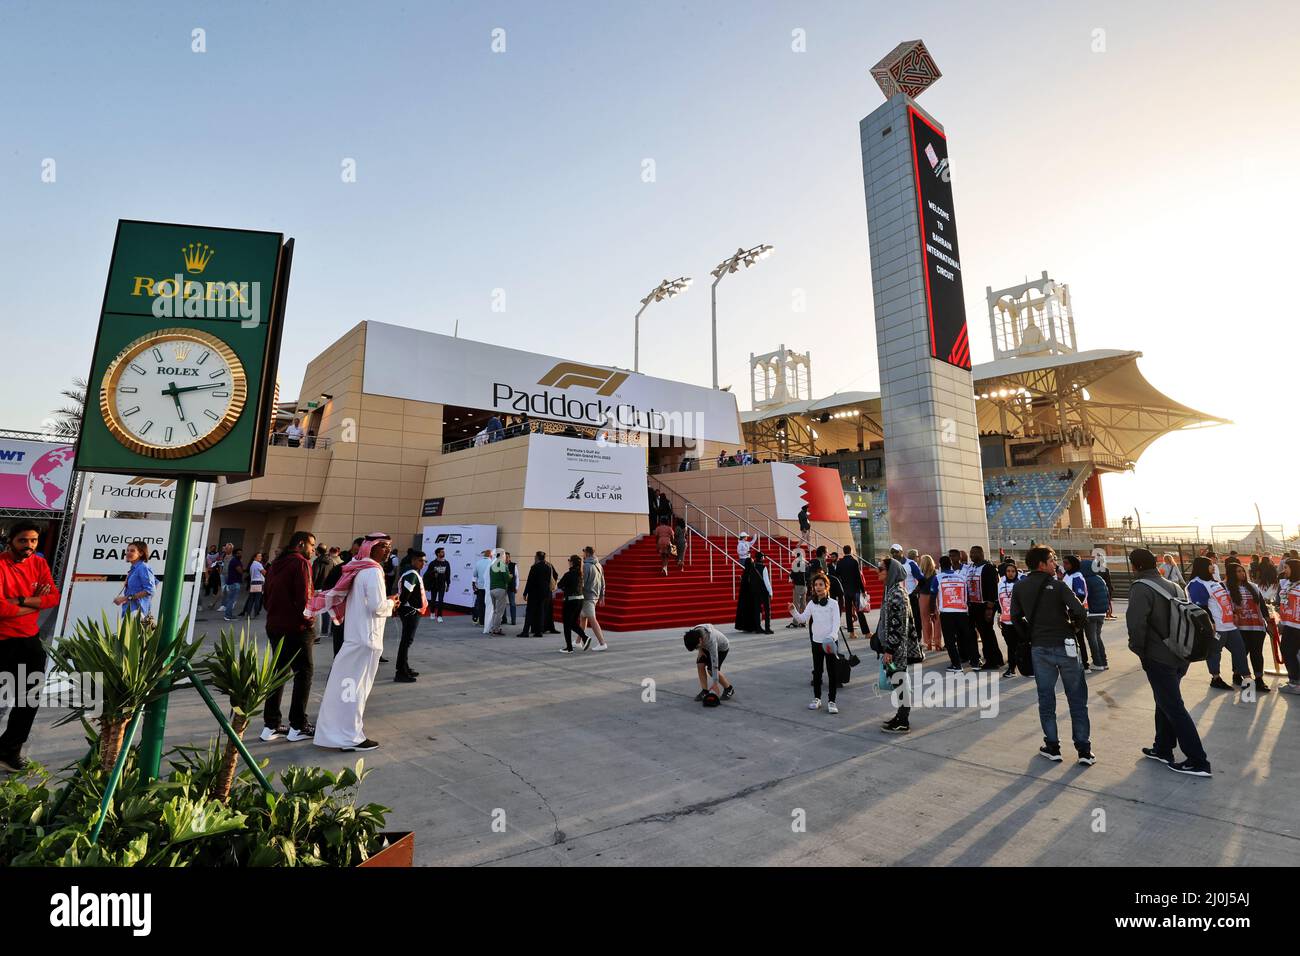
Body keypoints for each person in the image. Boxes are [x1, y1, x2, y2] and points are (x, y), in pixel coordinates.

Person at [1126, 548, 1212, 776]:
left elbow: (1136, 626)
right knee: (1163, 700)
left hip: (1158, 656)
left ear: (1134, 566)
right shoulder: (1174, 586)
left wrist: (1139, 651)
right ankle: (1163, 748)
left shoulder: (1140, 588)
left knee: (1173, 706)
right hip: (1181, 655)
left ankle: (1198, 760)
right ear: (1155, 563)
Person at [311, 533, 396, 752]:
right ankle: (351, 736)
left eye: (389, 547)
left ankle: (337, 734)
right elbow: (377, 607)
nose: (387, 550)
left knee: (345, 690)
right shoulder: (374, 571)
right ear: (371, 548)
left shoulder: (358, 568)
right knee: (356, 692)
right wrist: (391, 603)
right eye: (383, 546)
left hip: (354, 639)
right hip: (366, 641)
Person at [1010, 546, 1095, 766]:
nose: (1055, 563)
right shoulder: (1058, 586)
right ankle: (1083, 749)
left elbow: (1015, 617)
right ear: (1041, 564)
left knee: (1046, 698)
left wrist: (1029, 635)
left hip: (1039, 647)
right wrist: (1072, 630)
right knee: (1077, 698)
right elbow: (1080, 611)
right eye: (1052, 560)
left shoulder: (1020, 587)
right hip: (1065, 645)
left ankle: (1053, 745)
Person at [0, 522, 61, 773]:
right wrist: (36, 603)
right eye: (23, 541)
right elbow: (2, 609)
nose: (29, 546)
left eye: (34, 541)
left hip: (30, 640)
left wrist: (23, 601)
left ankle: (9, 750)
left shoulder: (39, 563)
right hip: (2, 640)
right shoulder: (1, 565)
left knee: (29, 699)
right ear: (10, 541)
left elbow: (53, 597)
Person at [260, 530, 318, 742]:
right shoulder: (300, 563)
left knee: (279, 673)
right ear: (301, 544)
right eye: (311, 545)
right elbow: (305, 597)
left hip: (275, 625)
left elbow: (266, 596)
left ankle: (271, 725)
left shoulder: (276, 564)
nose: (313, 550)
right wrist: (309, 621)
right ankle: (298, 726)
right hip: (296, 628)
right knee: (304, 674)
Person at [1188, 555, 1249, 691]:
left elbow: (1225, 600)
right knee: (1215, 652)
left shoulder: (1214, 582)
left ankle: (1247, 677)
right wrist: (1210, 623)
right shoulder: (1196, 584)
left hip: (1230, 624)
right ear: (1203, 566)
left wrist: (1233, 613)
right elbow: (1200, 606)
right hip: (1217, 626)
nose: (1213, 566)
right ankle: (1216, 678)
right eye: (1210, 564)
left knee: (1240, 649)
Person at [877, 556, 923, 733]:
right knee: (898, 682)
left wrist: (889, 649)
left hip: (896, 649)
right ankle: (900, 716)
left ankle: (903, 721)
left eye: (881, 569)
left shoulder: (897, 593)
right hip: (894, 647)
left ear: (891, 572)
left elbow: (898, 625)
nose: (877, 571)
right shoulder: (891, 590)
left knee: (900, 681)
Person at [789, 572, 842, 714]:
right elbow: (802, 619)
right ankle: (817, 698)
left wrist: (831, 636)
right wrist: (793, 611)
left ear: (826, 586)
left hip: (830, 643)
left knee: (832, 673)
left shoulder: (833, 604)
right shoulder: (812, 603)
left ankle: (832, 701)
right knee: (817, 672)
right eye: (816, 585)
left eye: (821, 585)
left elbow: (836, 623)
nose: (818, 587)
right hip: (816, 642)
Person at [1225, 562, 1271, 692]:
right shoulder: (1226, 588)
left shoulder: (1253, 587)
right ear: (1232, 574)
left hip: (1256, 626)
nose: (1242, 574)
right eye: (1238, 571)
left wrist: (1268, 622)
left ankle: (1259, 679)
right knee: (1240, 652)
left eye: (1242, 571)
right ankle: (1237, 674)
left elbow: (1262, 605)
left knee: (1257, 653)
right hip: (1238, 627)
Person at [934, 552, 977, 670]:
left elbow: (933, 595)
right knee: (968, 636)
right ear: (951, 564)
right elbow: (967, 595)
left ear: (940, 566)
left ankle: (956, 664)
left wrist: (933, 611)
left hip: (946, 612)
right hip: (962, 612)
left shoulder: (938, 577)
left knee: (949, 640)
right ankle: (975, 662)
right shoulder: (961, 577)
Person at [965, 546, 1003, 670]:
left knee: (987, 633)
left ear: (981, 554)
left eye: (974, 553)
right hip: (974, 605)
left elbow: (993, 588)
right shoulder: (971, 567)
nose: (971, 555)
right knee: (983, 633)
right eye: (970, 553)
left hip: (985, 605)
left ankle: (993, 660)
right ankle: (995, 658)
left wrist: (990, 607)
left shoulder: (988, 567)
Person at [324, 538, 363, 655]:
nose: (358, 555)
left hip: (359, 618)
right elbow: (328, 590)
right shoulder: (340, 569)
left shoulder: (370, 571)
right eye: (356, 552)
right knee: (341, 651)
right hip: (343, 616)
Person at [394, 550, 427, 682]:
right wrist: (402, 608)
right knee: (406, 641)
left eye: (424, 561)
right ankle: (401, 672)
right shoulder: (412, 574)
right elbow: (406, 593)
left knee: (406, 641)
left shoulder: (412, 573)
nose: (423, 563)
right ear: (413, 560)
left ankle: (404, 668)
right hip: (410, 611)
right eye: (420, 560)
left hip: (410, 610)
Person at [684, 624, 734, 701]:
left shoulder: (711, 640)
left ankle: (729, 689)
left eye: (696, 647)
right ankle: (705, 691)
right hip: (704, 646)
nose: (696, 649)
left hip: (721, 649)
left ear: (700, 640)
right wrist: (700, 650)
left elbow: (715, 665)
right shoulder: (694, 632)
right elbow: (698, 642)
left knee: (711, 670)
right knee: (700, 665)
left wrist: (715, 684)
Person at [113, 540, 156, 619]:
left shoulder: (143, 567)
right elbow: (155, 582)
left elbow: (150, 590)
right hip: (130, 610)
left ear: (141, 553)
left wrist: (125, 598)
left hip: (137, 612)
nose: (128, 553)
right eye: (127, 550)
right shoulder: (134, 568)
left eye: (132, 551)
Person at [1080, 557, 1110, 672]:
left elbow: (1085, 597)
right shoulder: (1099, 579)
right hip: (1101, 612)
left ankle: (1097, 662)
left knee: (1092, 638)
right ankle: (1103, 661)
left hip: (1091, 613)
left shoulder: (1085, 580)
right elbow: (1107, 594)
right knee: (1097, 637)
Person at [519, 551, 557, 637]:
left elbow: (529, 581)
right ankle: (539, 632)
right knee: (541, 612)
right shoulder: (548, 567)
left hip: (534, 594)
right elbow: (549, 581)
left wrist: (525, 593)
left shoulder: (534, 567)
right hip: (544, 593)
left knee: (529, 612)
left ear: (537, 557)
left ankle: (525, 632)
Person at [1278, 558, 1300, 693]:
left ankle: (1295, 682)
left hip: (1297, 626)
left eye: (1286, 568)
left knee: (1288, 651)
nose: (1283, 570)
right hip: (1288, 624)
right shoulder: (1288, 583)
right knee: (1290, 651)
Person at [580, 547, 609, 650]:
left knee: (592, 619)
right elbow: (603, 581)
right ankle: (578, 641)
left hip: (588, 596)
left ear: (587, 553)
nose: (582, 555)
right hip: (595, 596)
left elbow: (583, 583)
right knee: (583, 618)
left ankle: (602, 643)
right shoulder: (598, 565)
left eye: (583, 553)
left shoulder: (586, 566)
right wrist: (602, 596)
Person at [556, 555, 587, 653]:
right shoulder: (580, 574)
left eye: (569, 560)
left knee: (567, 624)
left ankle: (569, 648)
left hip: (570, 601)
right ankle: (584, 637)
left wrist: (566, 589)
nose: (568, 562)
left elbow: (560, 585)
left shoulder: (569, 574)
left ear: (572, 562)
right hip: (580, 600)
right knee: (573, 623)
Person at [837, 544, 867, 638]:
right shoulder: (854, 562)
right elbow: (858, 577)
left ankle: (851, 633)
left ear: (844, 551)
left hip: (846, 590)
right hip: (855, 590)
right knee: (859, 611)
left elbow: (837, 575)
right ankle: (866, 632)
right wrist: (863, 590)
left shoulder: (840, 562)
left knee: (848, 612)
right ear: (851, 551)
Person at [996, 560, 1021, 678]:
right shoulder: (1001, 584)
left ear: (1016, 572)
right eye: (1008, 571)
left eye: (1013, 571)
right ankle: (1012, 668)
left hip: (1018, 620)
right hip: (1005, 620)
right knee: (1010, 646)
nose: (1010, 573)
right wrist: (999, 616)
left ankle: (1018, 667)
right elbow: (999, 602)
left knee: (1020, 645)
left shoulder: (1020, 584)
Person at [734, 555, 766, 633]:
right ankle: (755, 627)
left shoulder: (744, 574)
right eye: (752, 562)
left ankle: (746, 626)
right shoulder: (752, 573)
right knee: (754, 611)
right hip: (752, 597)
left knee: (746, 612)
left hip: (745, 599)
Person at [916, 554, 939, 652]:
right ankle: (938, 643)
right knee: (937, 620)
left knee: (925, 620)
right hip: (935, 596)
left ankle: (928, 643)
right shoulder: (936, 573)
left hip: (924, 597)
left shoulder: (921, 574)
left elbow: (918, 587)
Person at [311, 545, 335, 638]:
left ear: (318, 551)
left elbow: (315, 576)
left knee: (317, 612)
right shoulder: (330, 561)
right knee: (326, 610)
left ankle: (317, 634)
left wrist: (312, 587)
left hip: (318, 588)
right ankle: (324, 631)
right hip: (327, 588)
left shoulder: (317, 561)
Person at [423, 547, 451, 623]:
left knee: (441, 600)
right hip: (434, 584)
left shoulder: (446, 563)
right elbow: (427, 574)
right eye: (442, 552)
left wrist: (448, 584)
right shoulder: (432, 563)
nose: (443, 553)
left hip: (442, 584)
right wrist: (433, 574)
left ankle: (439, 616)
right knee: (433, 600)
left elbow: (448, 575)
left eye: (443, 552)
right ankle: (432, 613)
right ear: (438, 553)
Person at [488, 551, 510, 635]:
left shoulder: (492, 566)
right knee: (499, 612)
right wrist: (510, 576)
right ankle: (496, 629)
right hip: (500, 589)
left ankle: (492, 627)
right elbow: (507, 578)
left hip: (492, 589)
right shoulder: (502, 565)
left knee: (494, 611)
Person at [787, 548, 808, 628]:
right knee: (803, 604)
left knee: (796, 604)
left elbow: (793, 574)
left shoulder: (796, 563)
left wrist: (791, 578)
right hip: (805, 585)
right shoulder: (806, 563)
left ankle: (795, 622)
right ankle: (803, 622)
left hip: (798, 585)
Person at [240, 551, 266, 618]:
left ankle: (248, 614)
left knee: (251, 599)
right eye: (259, 556)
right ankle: (255, 614)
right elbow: (264, 573)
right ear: (255, 557)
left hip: (253, 582)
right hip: (259, 582)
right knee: (257, 599)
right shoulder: (258, 564)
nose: (260, 557)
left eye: (261, 556)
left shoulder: (252, 564)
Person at [472, 548, 493, 629]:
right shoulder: (492, 563)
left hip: (480, 587)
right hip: (489, 587)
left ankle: (481, 621)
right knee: (488, 605)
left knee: (481, 605)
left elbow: (474, 574)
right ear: (490, 555)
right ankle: (487, 622)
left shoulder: (478, 563)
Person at [222, 548, 245, 621]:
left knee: (231, 600)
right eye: (238, 553)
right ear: (235, 554)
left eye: (241, 553)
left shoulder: (236, 560)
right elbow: (240, 571)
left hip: (233, 582)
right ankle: (227, 615)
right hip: (234, 583)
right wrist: (243, 569)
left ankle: (229, 614)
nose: (240, 554)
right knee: (231, 600)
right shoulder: (235, 561)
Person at [504, 552, 519, 626]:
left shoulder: (514, 565)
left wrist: (516, 587)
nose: (506, 558)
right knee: (503, 604)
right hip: (503, 587)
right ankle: (504, 619)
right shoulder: (501, 565)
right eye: (505, 557)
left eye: (507, 557)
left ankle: (513, 620)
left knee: (512, 604)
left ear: (510, 558)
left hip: (511, 587)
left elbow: (517, 577)